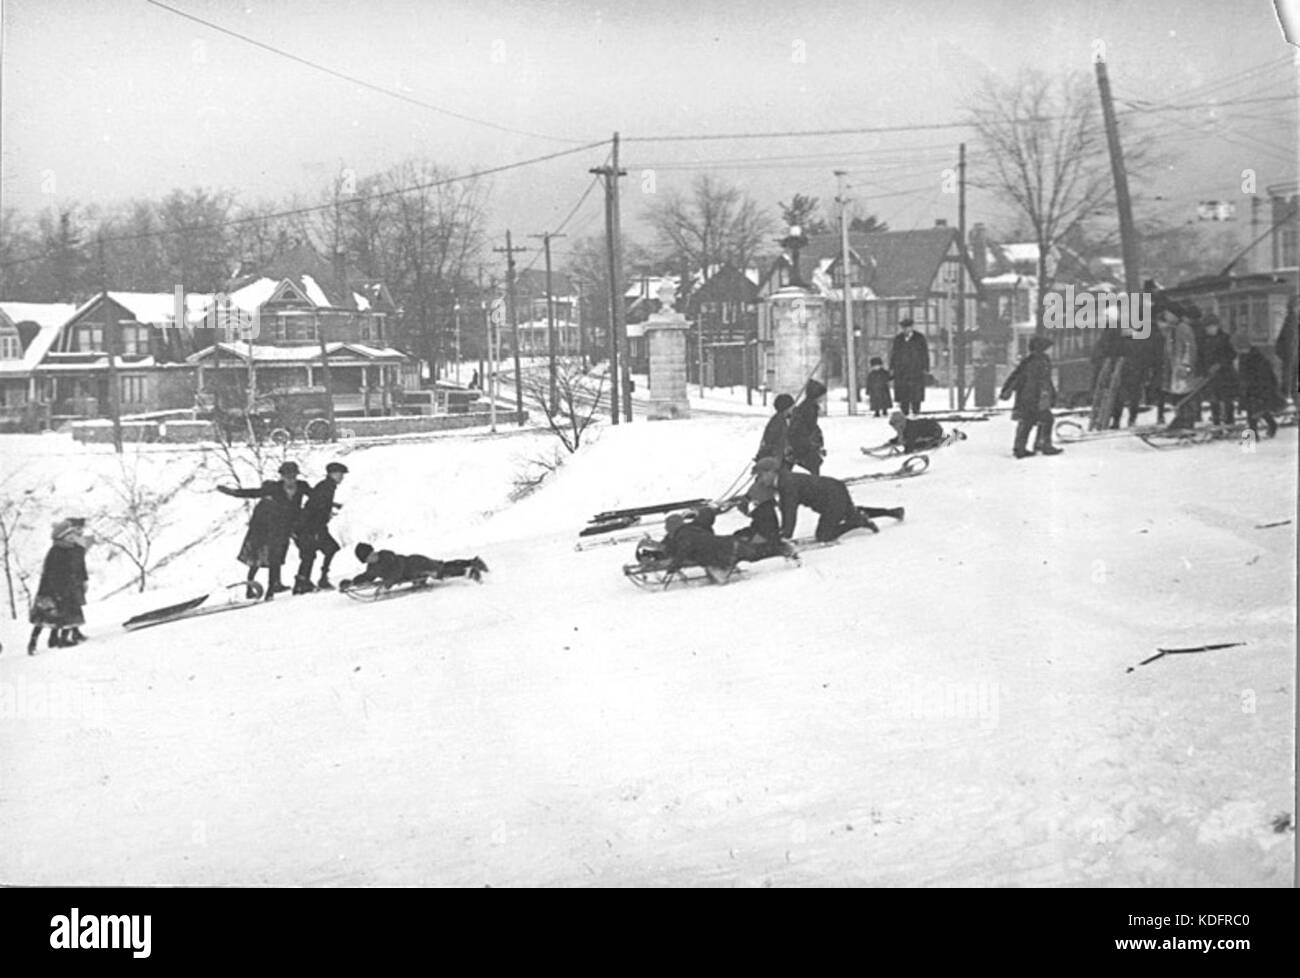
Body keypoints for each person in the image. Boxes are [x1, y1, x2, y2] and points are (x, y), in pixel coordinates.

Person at [748, 456, 903, 543]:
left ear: (771, 472)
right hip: (834, 489)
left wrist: (786, 535)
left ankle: (858, 522)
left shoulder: (787, 484)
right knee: (849, 511)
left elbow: (790, 510)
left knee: (824, 535)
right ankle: (892, 512)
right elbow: (785, 507)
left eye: (760, 476)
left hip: (832, 497)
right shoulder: (783, 480)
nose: (760, 480)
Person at [217, 460, 311, 600]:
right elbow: (253, 493)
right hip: (272, 530)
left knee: (279, 558)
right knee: (268, 559)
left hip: (287, 528)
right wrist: (233, 492)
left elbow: (316, 496)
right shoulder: (274, 488)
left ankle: (277, 585)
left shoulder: (302, 486)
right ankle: (269, 591)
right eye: (287, 476)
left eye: (293, 476)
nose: (290, 479)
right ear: (282, 476)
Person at [27, 518, 90, 654]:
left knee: (65, 614)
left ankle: (61, 638)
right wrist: (58, 591)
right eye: (69, 535)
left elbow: (79, 568)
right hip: (52, 590)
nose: (73, 537)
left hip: (68, 588)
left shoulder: (72, 549)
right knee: (44, 618)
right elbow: (52, 574)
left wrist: (83, 580)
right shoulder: (56, 552)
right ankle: (33, 643)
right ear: (62, 537)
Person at [999, 335, 1062, 458]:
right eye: (1048, 348)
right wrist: (1050, 395)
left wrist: (1007, 390)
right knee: (1045, 419)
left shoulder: (1029, 361)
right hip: (1035, 396)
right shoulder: (1041, 361)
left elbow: (1017, 376)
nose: (1050, 350)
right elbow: (1044, 381)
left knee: (1028, 421)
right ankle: (1043, 445)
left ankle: (1021, 448)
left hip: (1026, 396)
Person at [293, 461, 348, 594]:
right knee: (325, 550)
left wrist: (332, 507)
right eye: (340, 474)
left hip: (309, 525)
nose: (342, 477)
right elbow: (315, 507)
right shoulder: (326, 487)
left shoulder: (327, 486)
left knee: (310, 554)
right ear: (332, 474)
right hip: (311, 526)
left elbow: (316, 503)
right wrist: (316, 529)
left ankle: (303, 582)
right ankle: (316, 580)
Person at [340, 543, 488, 591]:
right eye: (368, 558)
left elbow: (397, 569)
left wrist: (389, 582)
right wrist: (353, 583)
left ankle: (469, 571)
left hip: (416, 564)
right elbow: (367, 577)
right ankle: (472, 562)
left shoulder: (386, 556)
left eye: (371, 554)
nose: (372, 558)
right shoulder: (373, 567)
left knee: (439, 571)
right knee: (441, 566)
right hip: (412, 570)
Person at [1159, 305, 1200, 430]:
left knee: (1185, 396)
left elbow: (1190, 348)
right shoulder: (1172, 329)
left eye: (1168, 314)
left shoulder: (1184, 328)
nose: (1166, 316)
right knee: (1178, 396)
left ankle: (1187, 421)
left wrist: (1186, 365)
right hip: (1175, 369)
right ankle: (1181, 419)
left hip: (1182, 370)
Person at [1237, 338, 1283, 438]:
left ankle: (1255, 435)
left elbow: (1265, 376)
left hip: (1260, 389)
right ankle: (1270, 426)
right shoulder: (1243, 357)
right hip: (1250, 389)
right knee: (1257, 411)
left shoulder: (1258, 358)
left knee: (1254, 412)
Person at [1197, 315, 1237, 426]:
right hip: (1211, 376)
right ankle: (1216, 423)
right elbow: (1200, 357)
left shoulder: (1225, 338)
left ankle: (1230, 422)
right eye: (1208, 327)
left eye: (1213, 326)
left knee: (1227, 400)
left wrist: (1220, 364)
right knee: (1213, 401)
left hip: (1225, 374)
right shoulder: (1202, 340)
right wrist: (1204, 370)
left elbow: (1232, 354)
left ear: (1217, 326)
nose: (1211, 329)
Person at [889, 317, 930, 415]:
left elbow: (924, 354)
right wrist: (892, 368)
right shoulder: (898, 339)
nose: (905, 330)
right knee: (903, 394)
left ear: (911, 327)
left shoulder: (919, 338)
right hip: (901, 371)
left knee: (916, 394)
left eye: (907, 327)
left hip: (916, 371)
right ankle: (905, 412)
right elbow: (894, 354)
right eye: (903, 328)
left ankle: (916, 412)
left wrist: (925, 368)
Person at [787, 380, 827, 475]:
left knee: (813, 462)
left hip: (799, 440)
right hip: (801, 441)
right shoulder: (810, 408)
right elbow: (809, 428)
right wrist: (814, 443)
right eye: (822, 395)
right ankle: (815, 483)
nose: (823, 398)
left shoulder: (807, 406)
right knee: (814, 462)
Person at [755, 393, 794, 466]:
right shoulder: (777, 422)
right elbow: (770, 441)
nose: (793, 409)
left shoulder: (781, 419)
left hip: (778, 458)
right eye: (791, 407)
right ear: (786, 408)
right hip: (774, 459)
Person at [1276, 295, 1298, 404]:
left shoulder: (1291, 320)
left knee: (1291, 381)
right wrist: (1286, 355)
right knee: (1290, 382)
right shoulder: (1291, 320)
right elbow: (1286, 341)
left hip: (1291, 356)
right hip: (1292, 357)